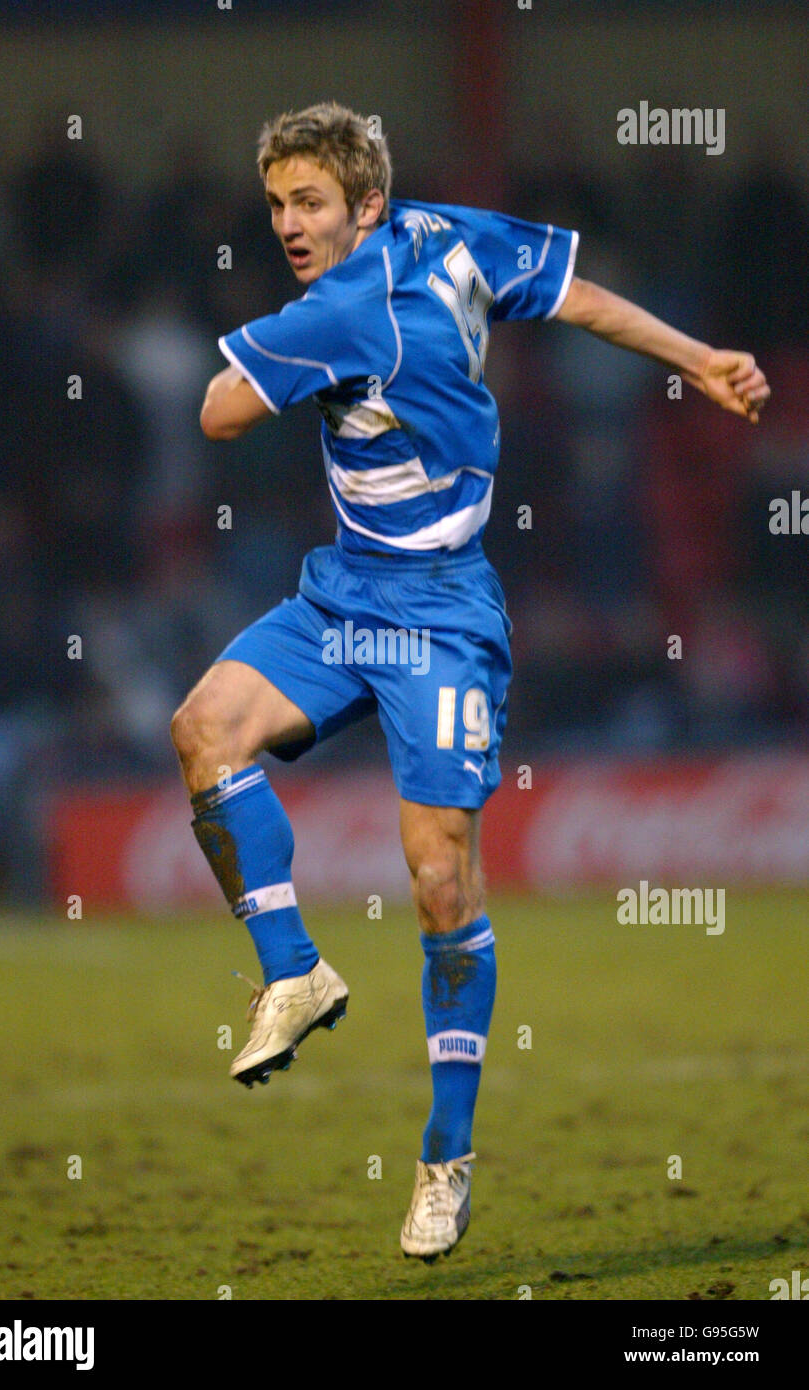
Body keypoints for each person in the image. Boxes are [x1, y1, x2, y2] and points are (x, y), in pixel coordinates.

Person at [170, 101, 770, 1262]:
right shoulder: (454, 237)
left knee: (440, 882)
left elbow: (218, 412)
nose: (289, 224)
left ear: (367, 205)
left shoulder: (347, 307)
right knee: (204, 728)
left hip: (442, 616)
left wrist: (290, 344)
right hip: (342, 593)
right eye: (277, 206)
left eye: (309, 203)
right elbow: (577, 297)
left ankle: (443, 1161)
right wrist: (697, 357)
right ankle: (293, 973)